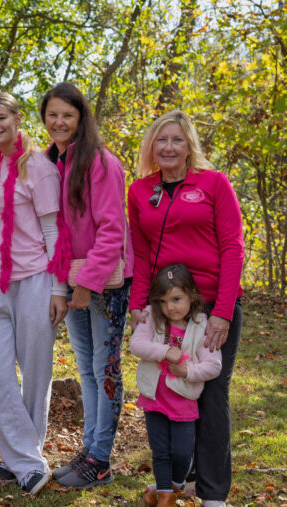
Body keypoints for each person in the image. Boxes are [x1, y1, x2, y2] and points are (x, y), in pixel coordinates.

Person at [128, 111, 244, 507]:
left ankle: (213, 495)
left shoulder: (214, 184)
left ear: (189, 144)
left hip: (212, 304)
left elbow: (233, 247)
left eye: (177, 140)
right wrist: (139, 304)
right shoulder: (141, 190)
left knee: (210, 393)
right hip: (165, 307)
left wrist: (223, 311)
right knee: (171, 385)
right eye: (161, 140)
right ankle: (183, 477)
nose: (168, 148)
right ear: (151, 146)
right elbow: (141, 254)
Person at [0, 92, 68, 495]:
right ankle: (25, 459)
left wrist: (59, 288)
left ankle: (20, 461)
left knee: (36, 373)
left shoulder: (39, 166)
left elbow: (53, 232)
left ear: (17, 118)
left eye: (1, 118)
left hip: (36, 280)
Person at [39, 83, 134, 489]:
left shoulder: (100, 162)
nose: (59, 122)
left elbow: (112, 232)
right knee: (86, 369)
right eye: (52, 115)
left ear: (81, 119)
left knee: (104, 367)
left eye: (67, 115)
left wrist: (86, 286)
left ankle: (101, 459)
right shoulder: (51, 163)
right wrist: (64, 283)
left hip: (105, 282)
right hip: (75, 278)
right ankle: (90, 448)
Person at [130, 264, 221, 507]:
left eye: (177, 299)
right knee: (160, 451)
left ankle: (177, 484)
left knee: (181, 452)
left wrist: (187, 371)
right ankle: (165, 496)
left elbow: (213, 365)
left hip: (183, 400)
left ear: (191, 296)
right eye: (163, 301)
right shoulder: (152, 318)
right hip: (154, 398)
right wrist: (164, 351)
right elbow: (136, 345)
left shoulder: (202, 326)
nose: (170, 307)